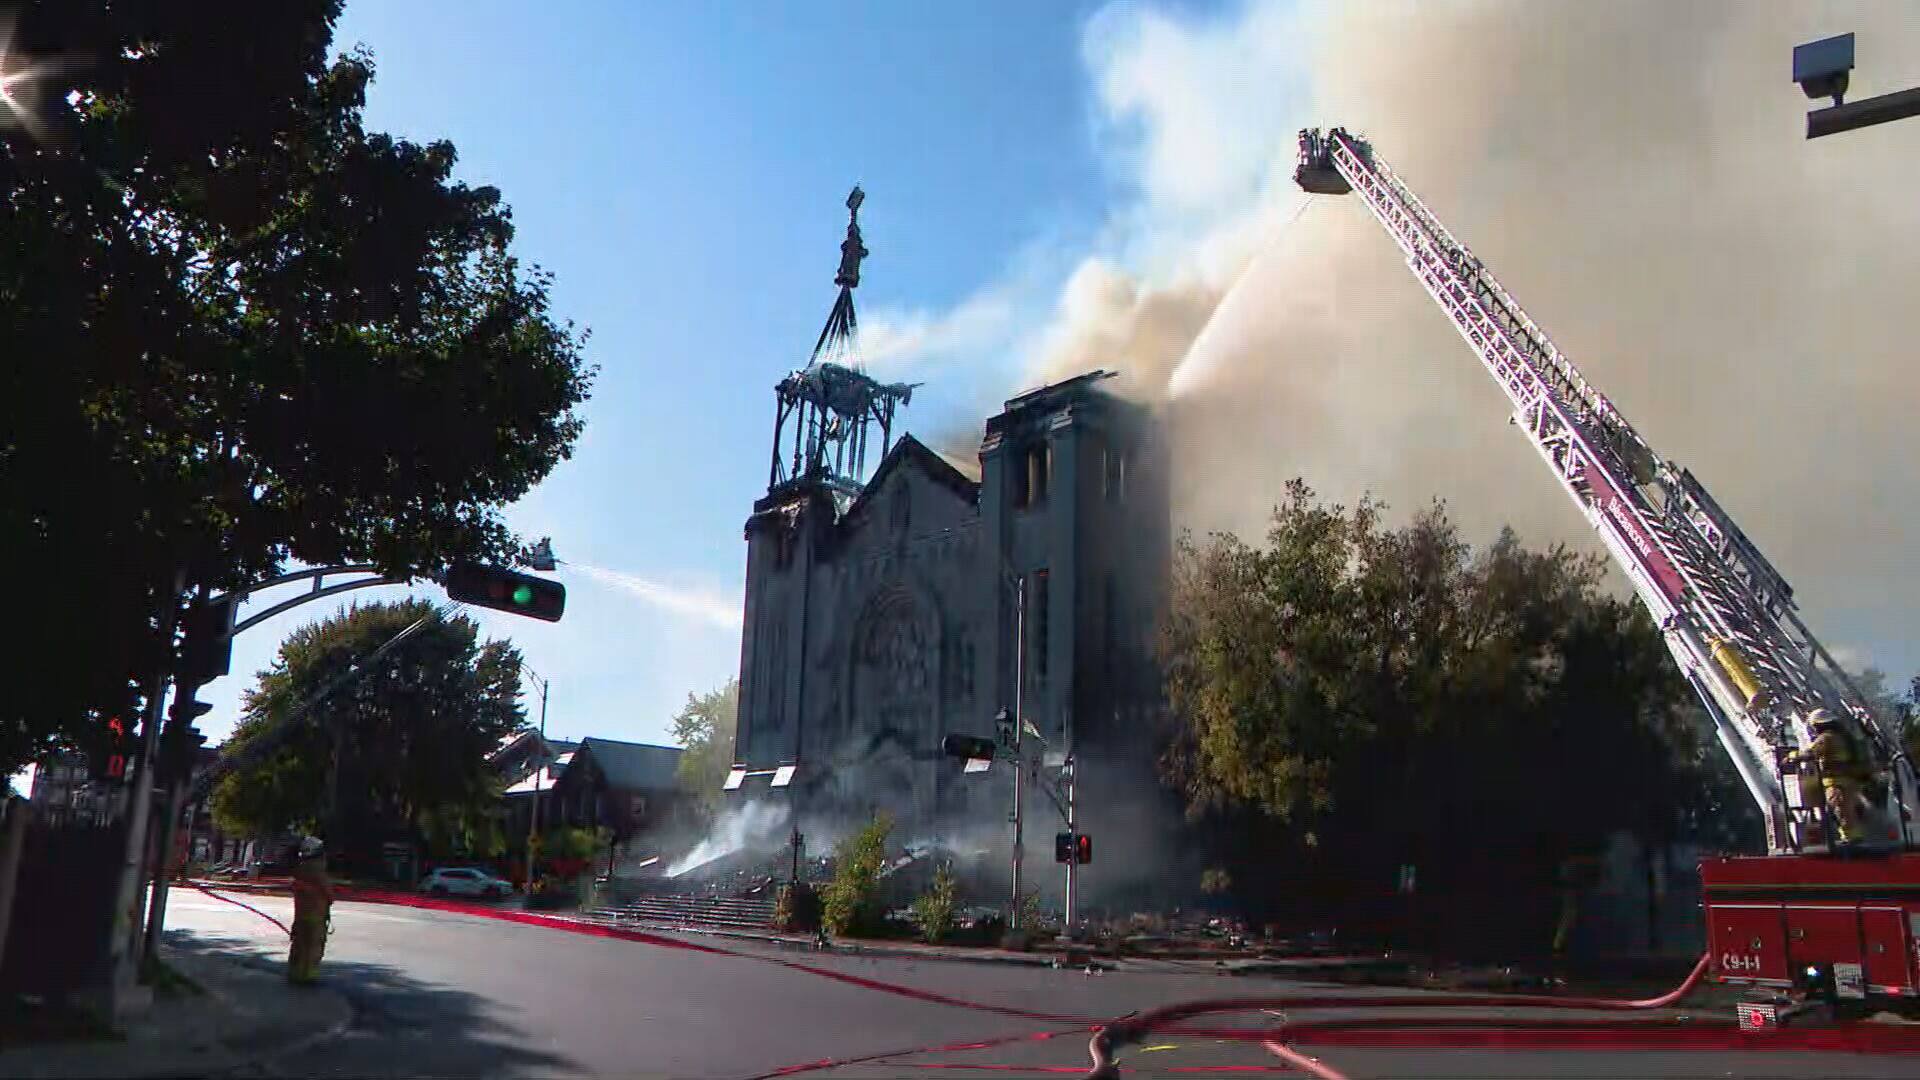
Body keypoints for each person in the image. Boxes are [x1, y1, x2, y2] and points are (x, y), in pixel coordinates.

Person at [1791, 709, 1873, 844]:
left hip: (1836, 781)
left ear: (1819, 725)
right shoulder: (1843, 736)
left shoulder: (1826, 738)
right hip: (1848, 779)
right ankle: (1851, 836)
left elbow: (1810, 753)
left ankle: (1851, 838)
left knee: (1840, 809)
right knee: (1846, 809)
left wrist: (1791, 756)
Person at [288, 836, 334, 984]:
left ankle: (295, 973)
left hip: (301, 914)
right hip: (316, 913)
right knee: (313, 945)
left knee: (299, 943)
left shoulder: (300, 869)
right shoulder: (318, 870)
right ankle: (308, 975)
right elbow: (328, 892)